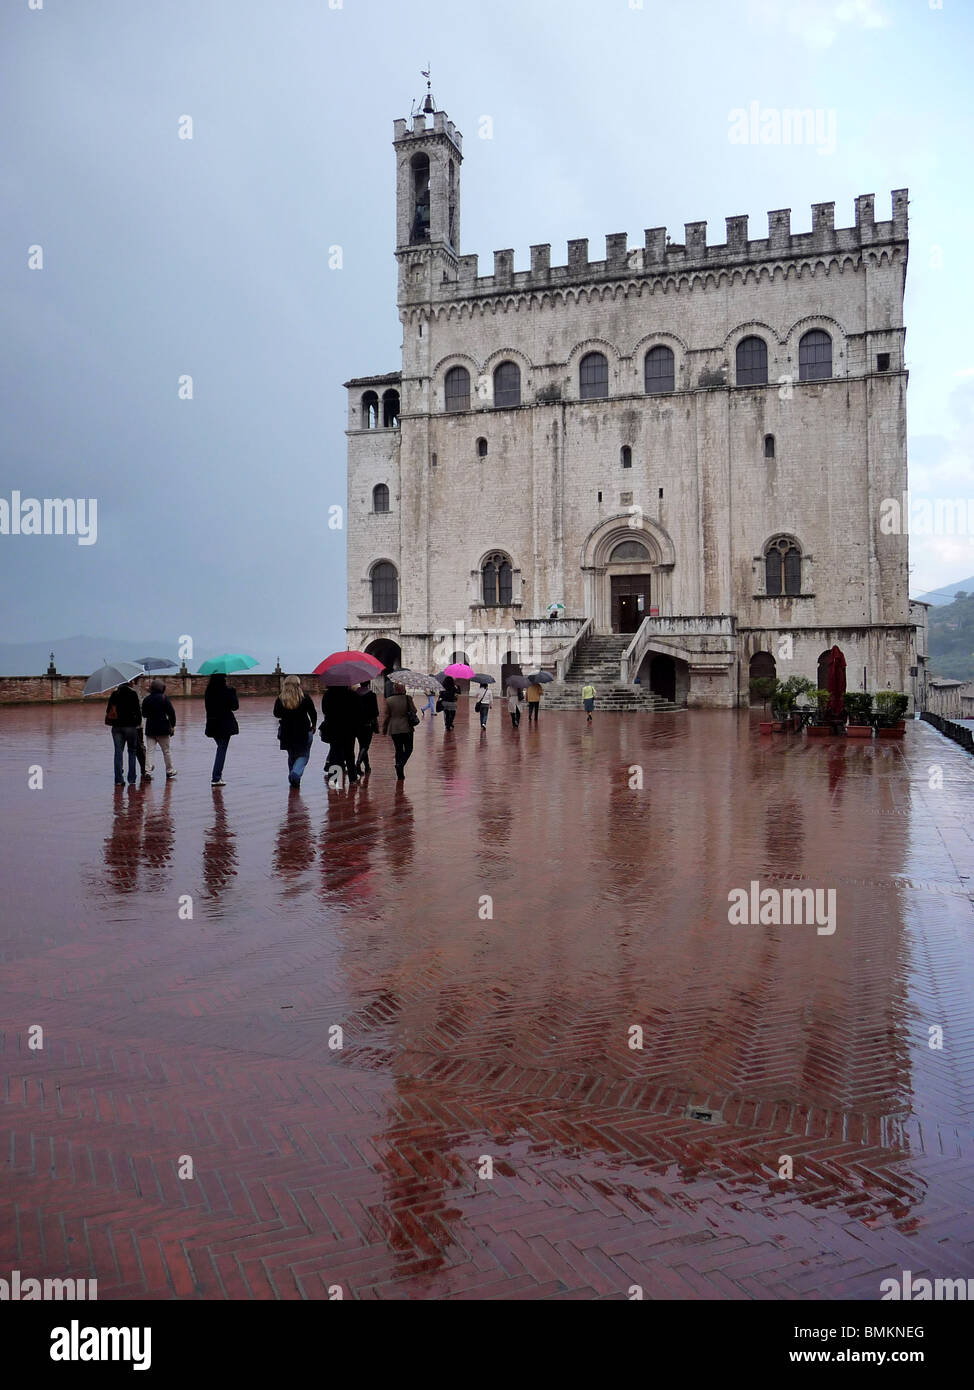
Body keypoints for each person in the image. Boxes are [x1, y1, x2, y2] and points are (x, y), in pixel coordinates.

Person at [273, 674, 317, 788]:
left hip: (287, 732)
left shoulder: (280, 699)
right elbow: (313, 712)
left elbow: (276, 714)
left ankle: (293, 778)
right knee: (303, 755)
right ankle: (295, 773)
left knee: (292, 755)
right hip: (303, 730)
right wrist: (314, 725)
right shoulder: (305, 697)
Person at [204, 672, 239, 786]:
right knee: (221, 749)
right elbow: (235, 707)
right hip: (225, 724)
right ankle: (216, 777)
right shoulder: (228, 691)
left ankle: (217, 776)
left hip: (212, 723)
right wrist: (233, 692)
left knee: (221, 747)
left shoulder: (208, 692)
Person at [106, 678, 142, 786]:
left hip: (117, 727)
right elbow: (137, 711)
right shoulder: (133, 694)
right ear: (129, 682)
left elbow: (108, 710)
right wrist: (138, 723)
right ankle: (131, 778)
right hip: (130, 726)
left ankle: (118, 779)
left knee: (118, 752)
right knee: (132, 752)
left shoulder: (114, 694)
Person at [321, 684, 359, 785]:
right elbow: (358, 711)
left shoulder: (328, 695)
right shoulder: (352, 695)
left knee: (335, 754)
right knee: (349, 753)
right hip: (349, 728)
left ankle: (333, 779)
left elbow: (324, 710)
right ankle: (353, 778)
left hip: (333, 728)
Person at [141, 678, 178, 779]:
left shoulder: (146, 699)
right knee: (166, 751)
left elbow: (144, 714)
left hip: (150, 729)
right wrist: (173, 725)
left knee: (150, 751)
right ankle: (169, 770)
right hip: (163, 728)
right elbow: (171, 713)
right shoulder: (164, 698)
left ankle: (148, 772)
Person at [382, 681, 418, 780]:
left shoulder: (389, 700)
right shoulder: (408, 698)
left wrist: (384, 728)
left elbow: (387, 715)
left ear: (395, 689)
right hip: (406, 728)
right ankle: (400, 764)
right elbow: (414, 711)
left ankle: (400, 773)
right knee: (409, 749)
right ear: (403, 689)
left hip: (394, 728)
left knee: (398, 750)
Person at [354, 680, 379, 775]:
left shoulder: (354, 695)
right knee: (365, 746)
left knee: (362, 745)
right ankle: (358, 763)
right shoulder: (372, 695)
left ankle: (367, 766)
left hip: (356, 724)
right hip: (367, 724)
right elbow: (375, 712)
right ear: (368, 684)